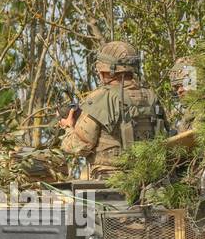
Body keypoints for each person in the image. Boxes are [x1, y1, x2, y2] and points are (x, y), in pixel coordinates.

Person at [51, 40, 165, 180]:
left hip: (111, 183)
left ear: (106, 71)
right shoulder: (151, 96)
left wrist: (68, 127)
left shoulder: (101, 98)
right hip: (151, 178)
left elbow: (78, 146)